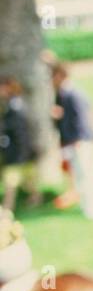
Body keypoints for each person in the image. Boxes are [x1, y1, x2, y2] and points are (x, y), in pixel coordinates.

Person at [50, 62, 93, 219]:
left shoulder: (73, 94)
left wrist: (77, 138)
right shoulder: (63, 94)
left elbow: (81, 118)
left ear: (60, 76)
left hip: (79, 141)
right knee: (79, 175)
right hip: (71, 141)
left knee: (87, 175)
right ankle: (85, 205)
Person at [0, 76, 38, 211]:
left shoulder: (15, 106)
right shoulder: (13, 104)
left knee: (10, 183)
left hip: (18, 152)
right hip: (21, 152)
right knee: (28, 181)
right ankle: (34, 199)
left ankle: (7, 208)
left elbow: (20, 132)